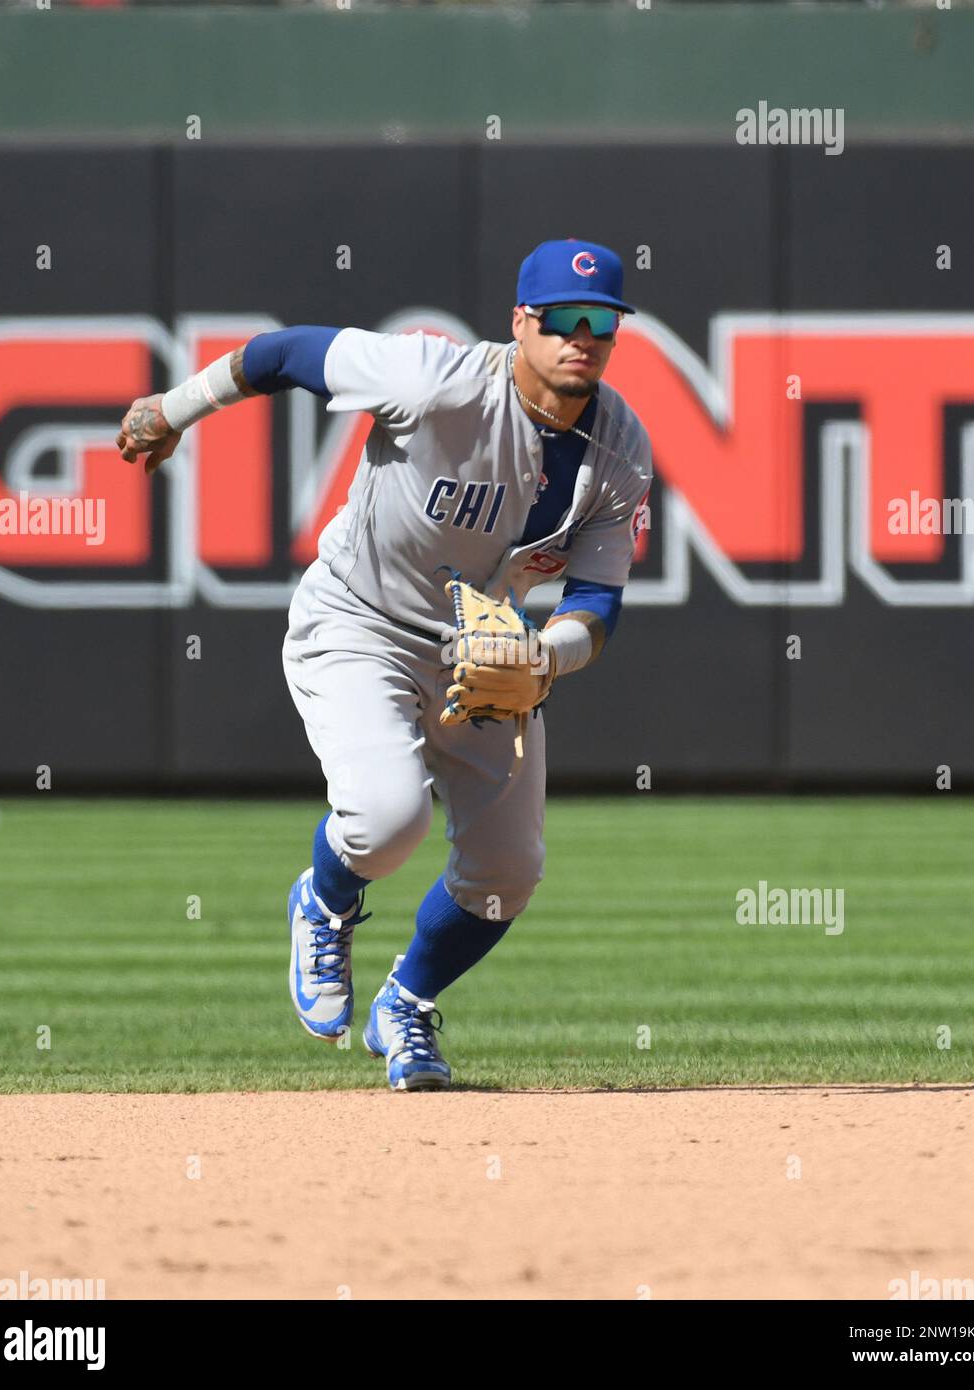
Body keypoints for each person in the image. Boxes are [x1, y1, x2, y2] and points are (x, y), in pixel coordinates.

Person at [116, 237, 653, 1091]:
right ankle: (325, 899)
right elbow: (283, 354)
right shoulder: (430, 380)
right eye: (562, 319)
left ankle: (406, 1005)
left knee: (508, 873)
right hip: (357, 621)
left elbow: (598, 601)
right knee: (386, 817)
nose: (582, 337)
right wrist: (176, 408)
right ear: (522, 323)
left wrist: (544, 661)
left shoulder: (618, 448)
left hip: (483, 649)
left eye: (602, 323)